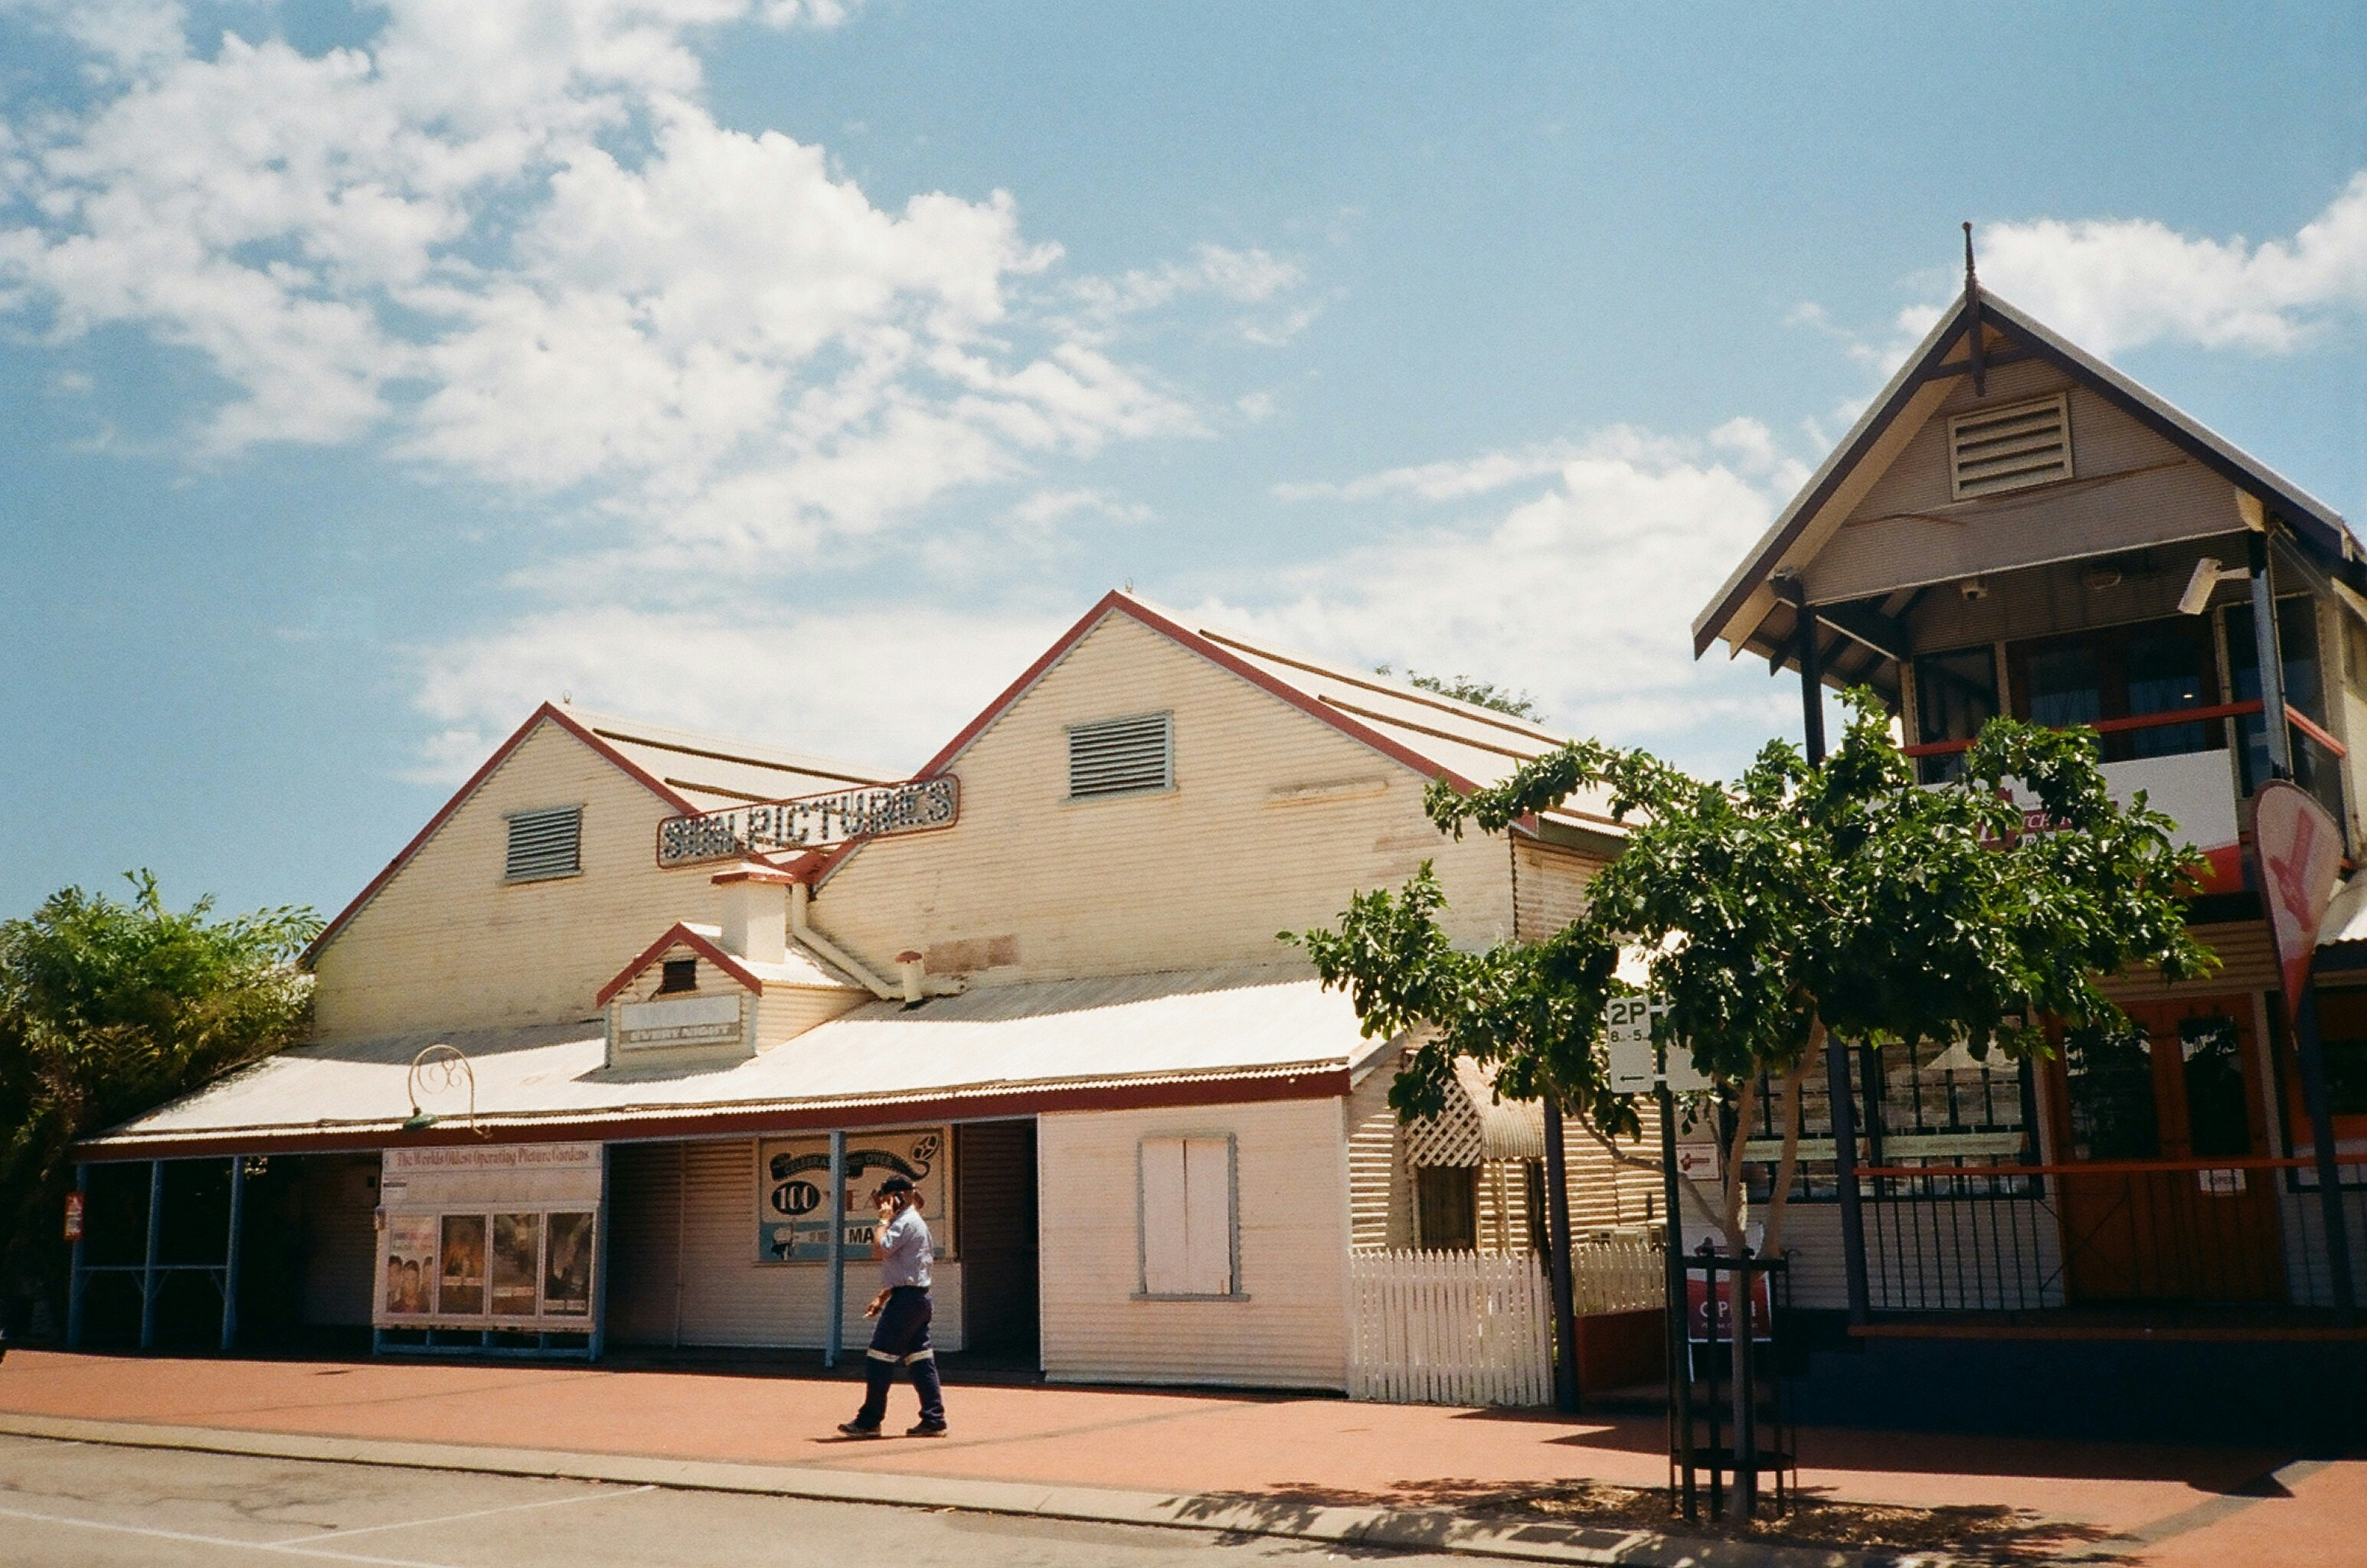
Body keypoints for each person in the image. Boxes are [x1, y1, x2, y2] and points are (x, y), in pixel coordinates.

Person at [837, 1175, 946, 1437]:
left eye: (883, 1198)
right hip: (915, 1298)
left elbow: (879, 1249)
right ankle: (934, 1419)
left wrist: (883, 1220)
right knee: (920, 1360)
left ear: (895, 1196)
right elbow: (909, 1269)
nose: (880, 1204)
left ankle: (870, 1420)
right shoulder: (912, 1222)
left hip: (907, 1302)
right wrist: (883, 1296)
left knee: (879, 1358)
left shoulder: (904, 1222)